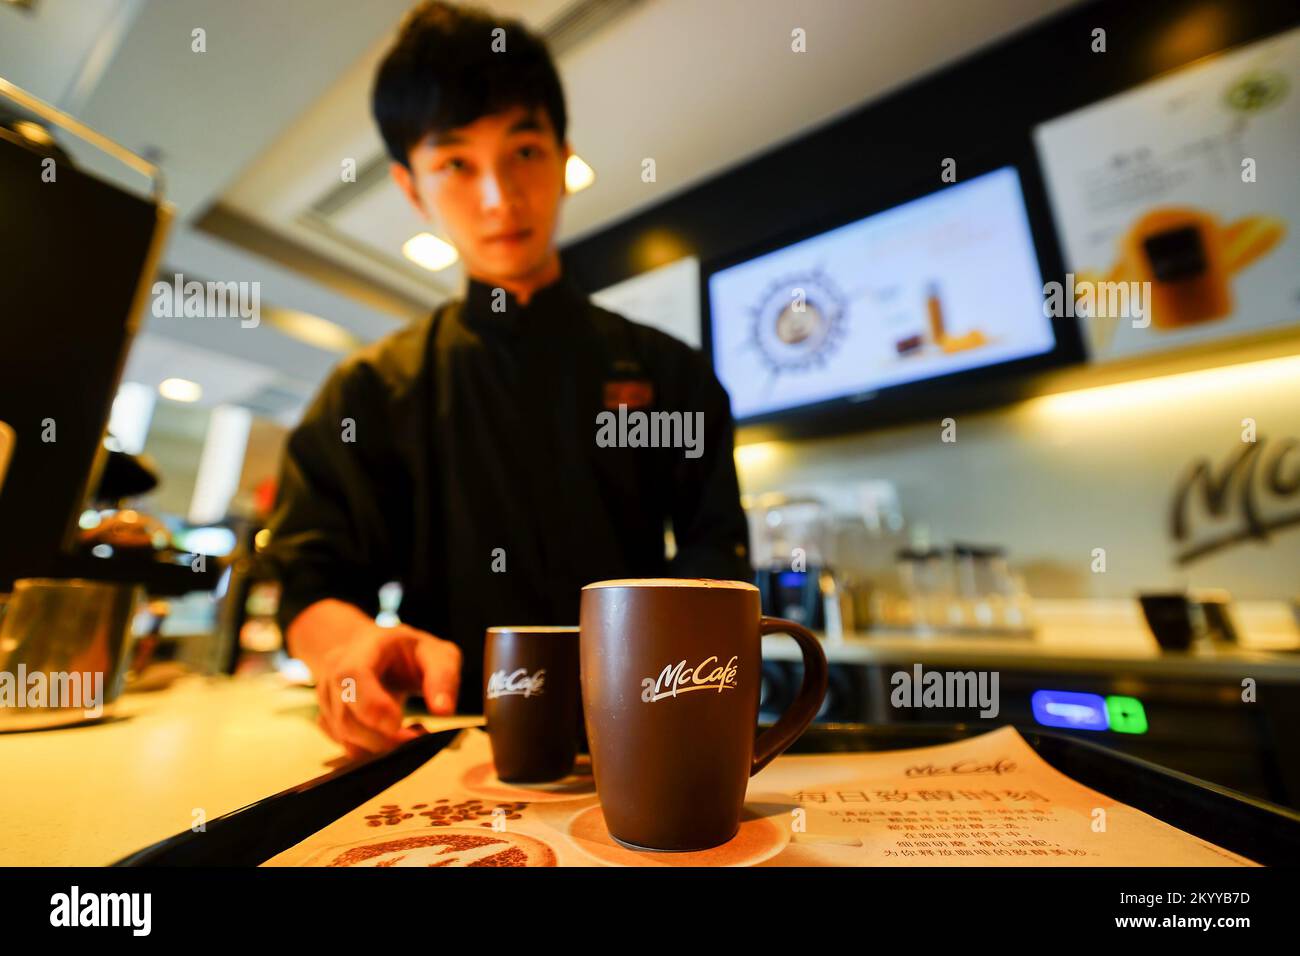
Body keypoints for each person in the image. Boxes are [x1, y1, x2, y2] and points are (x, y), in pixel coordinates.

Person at [264, 0, 752, 758]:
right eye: (456, 163)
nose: (499, 197)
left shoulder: (671, 374)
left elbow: (713, 550)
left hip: (643, 738)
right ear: (411, 189)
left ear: (563, 157)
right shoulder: (371, 390)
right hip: (448, 743)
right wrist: (348, 650)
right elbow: (314, 574)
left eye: (523, 151)